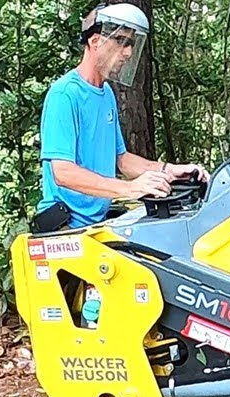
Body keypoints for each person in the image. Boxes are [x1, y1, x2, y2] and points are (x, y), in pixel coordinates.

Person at [36, 3, 210, 229]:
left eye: (131, 44)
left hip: (97, 222)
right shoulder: (64, 94)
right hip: (66, 226)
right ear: (95, 41)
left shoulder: (106, 93)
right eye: (121, 41)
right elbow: (63, 172)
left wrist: (169, 171)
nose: (128, 52)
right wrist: (130, 188)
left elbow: (121, 159)